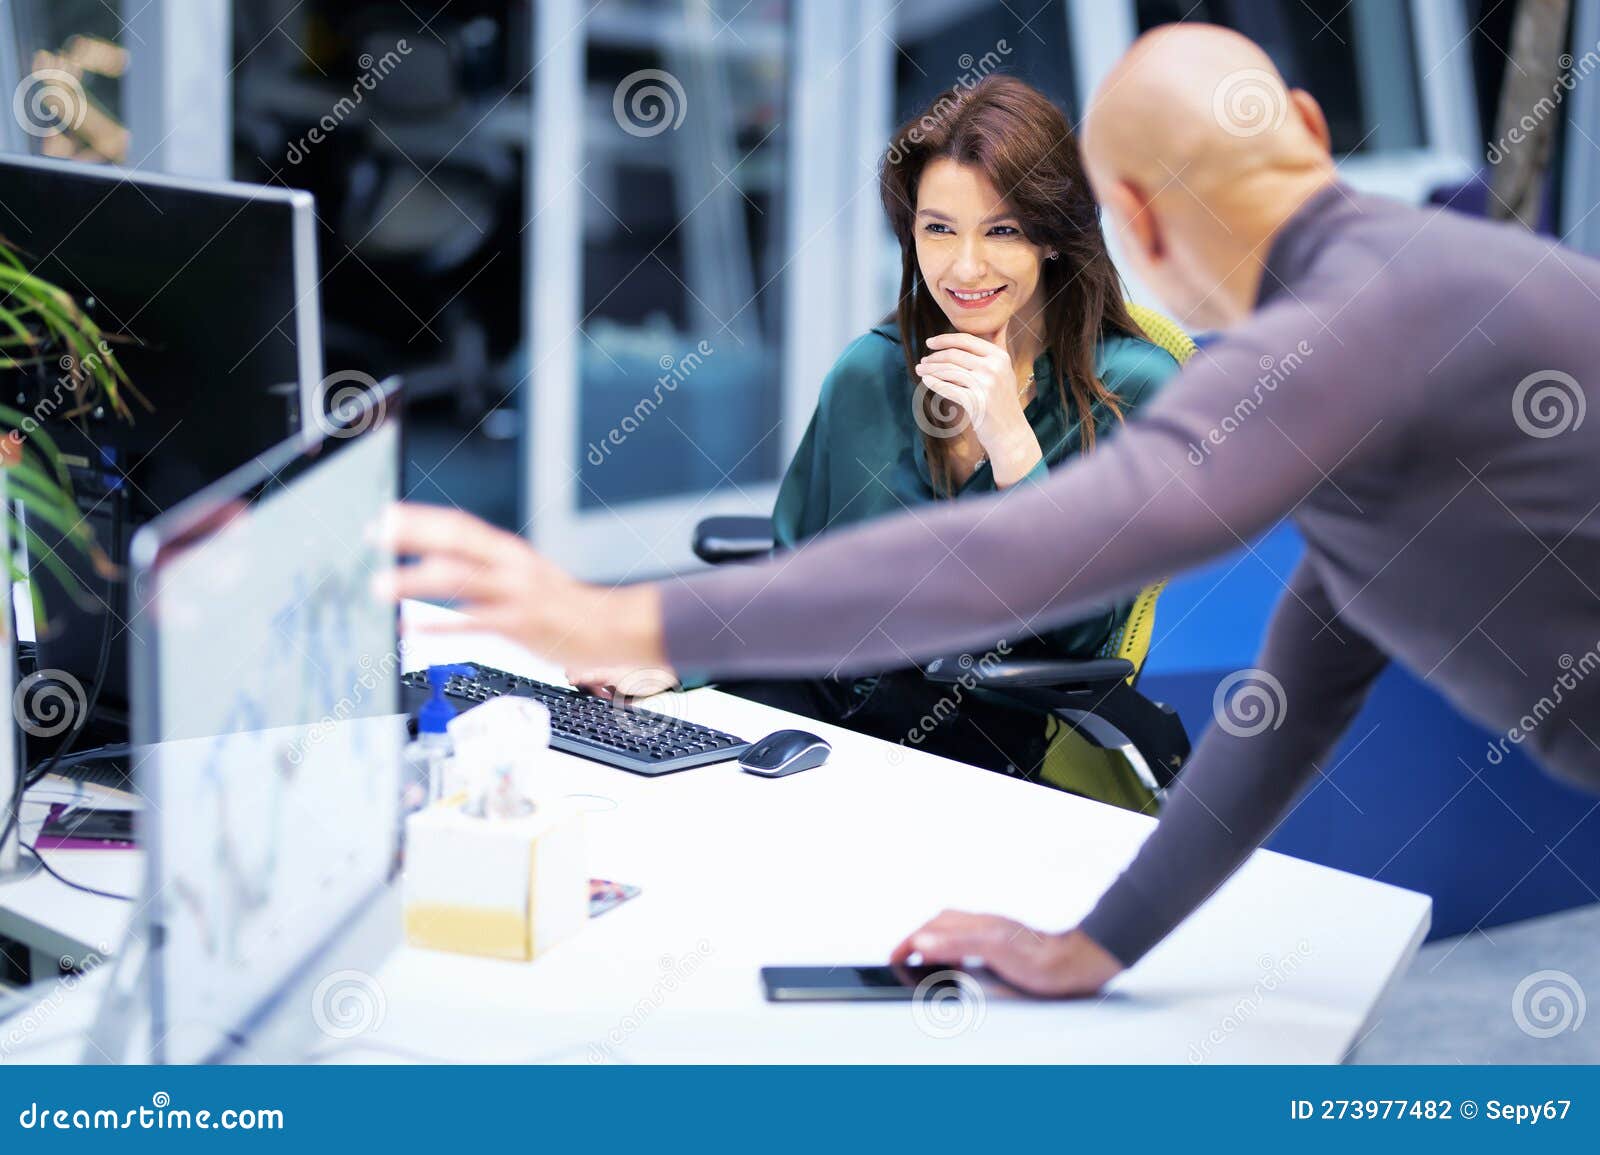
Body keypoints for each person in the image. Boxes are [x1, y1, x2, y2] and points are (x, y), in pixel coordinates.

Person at [379, 24, 1600, 996]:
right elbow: (1288, 705)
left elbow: (1034, 552)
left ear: (1131, 217)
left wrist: (627, 621)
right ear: (1313, 128)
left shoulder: (1335, 334)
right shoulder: (1410, 303)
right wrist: (1097, 947)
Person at [686, 76, 1176, 807]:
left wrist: (1013, 443)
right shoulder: (872, 369)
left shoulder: (1134, 389)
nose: (964, 267)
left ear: (1050, 236)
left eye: (1001, 230)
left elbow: (1080, 639)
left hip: (985, 719)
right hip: (827, 693)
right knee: (674, 765)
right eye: (938, 228)